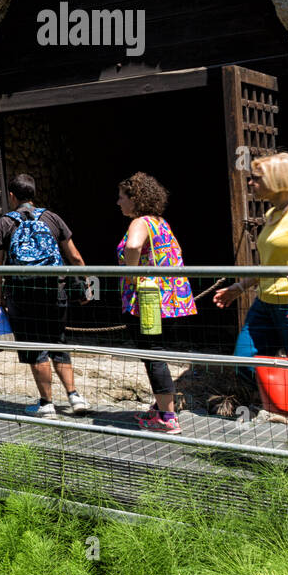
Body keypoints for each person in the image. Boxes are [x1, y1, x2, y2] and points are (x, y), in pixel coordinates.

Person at [0, 174, 91, 417]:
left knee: (35, 347)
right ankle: (74, 396)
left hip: (22, 295)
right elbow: (75, 257)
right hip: (54, 291)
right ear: (33, 194)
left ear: (12, 196)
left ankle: (46, 404)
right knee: (58, 342)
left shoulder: (5, 223)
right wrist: (87, 288)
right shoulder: (52, 218)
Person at [117, 172, 196, 435]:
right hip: (170, 300)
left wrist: (131, 273)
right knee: (155, 353)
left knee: (153, 355)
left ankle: (167, 417)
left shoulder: (140, 222)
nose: (118, 202)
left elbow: (133, 247)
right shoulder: (161, 223)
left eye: (122, 197)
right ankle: (161, 407)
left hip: (148, 301)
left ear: (135, 199)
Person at [216, 153, 288, 413]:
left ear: (278, 179)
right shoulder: (272, 214)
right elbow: (269, 264)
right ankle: (280, 408)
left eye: (256, 178)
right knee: (244, 360)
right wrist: (238, 287)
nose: (250, 183)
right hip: (264, 303)